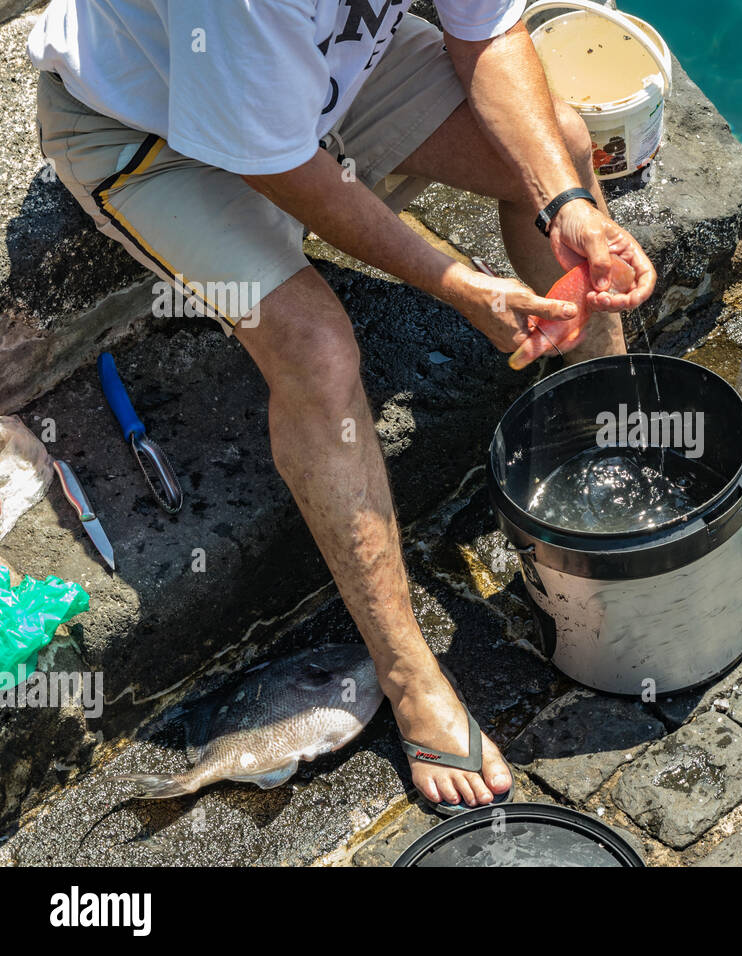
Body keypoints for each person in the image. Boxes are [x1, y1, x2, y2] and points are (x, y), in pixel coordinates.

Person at [28, 0, 657, 812]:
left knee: (561, 149)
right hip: (149, 130)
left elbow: (489, 33)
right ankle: (408, 676)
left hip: (332, 74)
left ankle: (614, 450)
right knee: (316, 346)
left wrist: (564, 204)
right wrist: (454, 281)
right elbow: (282, 167)